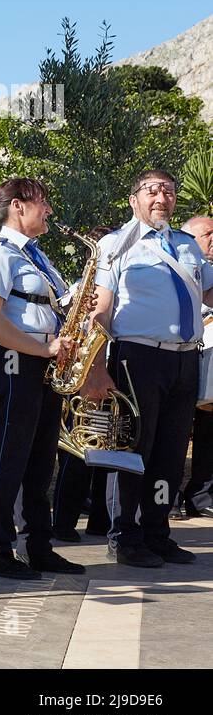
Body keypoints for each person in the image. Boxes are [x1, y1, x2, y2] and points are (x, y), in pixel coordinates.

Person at [82, 170, 213, 567]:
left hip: (185, 357)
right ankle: (125, 535)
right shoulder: (115, 245)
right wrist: (94, 368)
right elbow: (100, 310)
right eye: (153, 190)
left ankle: (157, 532)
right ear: (133, 199)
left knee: (172, 452)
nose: (162, 198)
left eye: (169, 191)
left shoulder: (188, 246)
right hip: (136, 357)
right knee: (132, 448)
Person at [0, 178, 82, 579]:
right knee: (7, 456)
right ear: (18, 206)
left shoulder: (36, 256)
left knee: (40, 460)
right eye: (43, 203)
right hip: (18, 359)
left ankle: (38, 545)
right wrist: (43, 349)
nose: (49, 210)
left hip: (43, 361)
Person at [50, 225, 114, 541]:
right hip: (85, 374)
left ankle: (101, 520)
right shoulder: (81, 288)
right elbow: (66, 317)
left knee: (108, 447)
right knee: (80, 451)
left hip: (113, 373)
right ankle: (63, 523)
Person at [176, 215, 213, 520]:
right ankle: (168, 494)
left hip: (209, 364)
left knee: (208, 433)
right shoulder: (177, 264)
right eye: (207, 234)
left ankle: (201, 494)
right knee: (172, 430)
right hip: (182, 355)